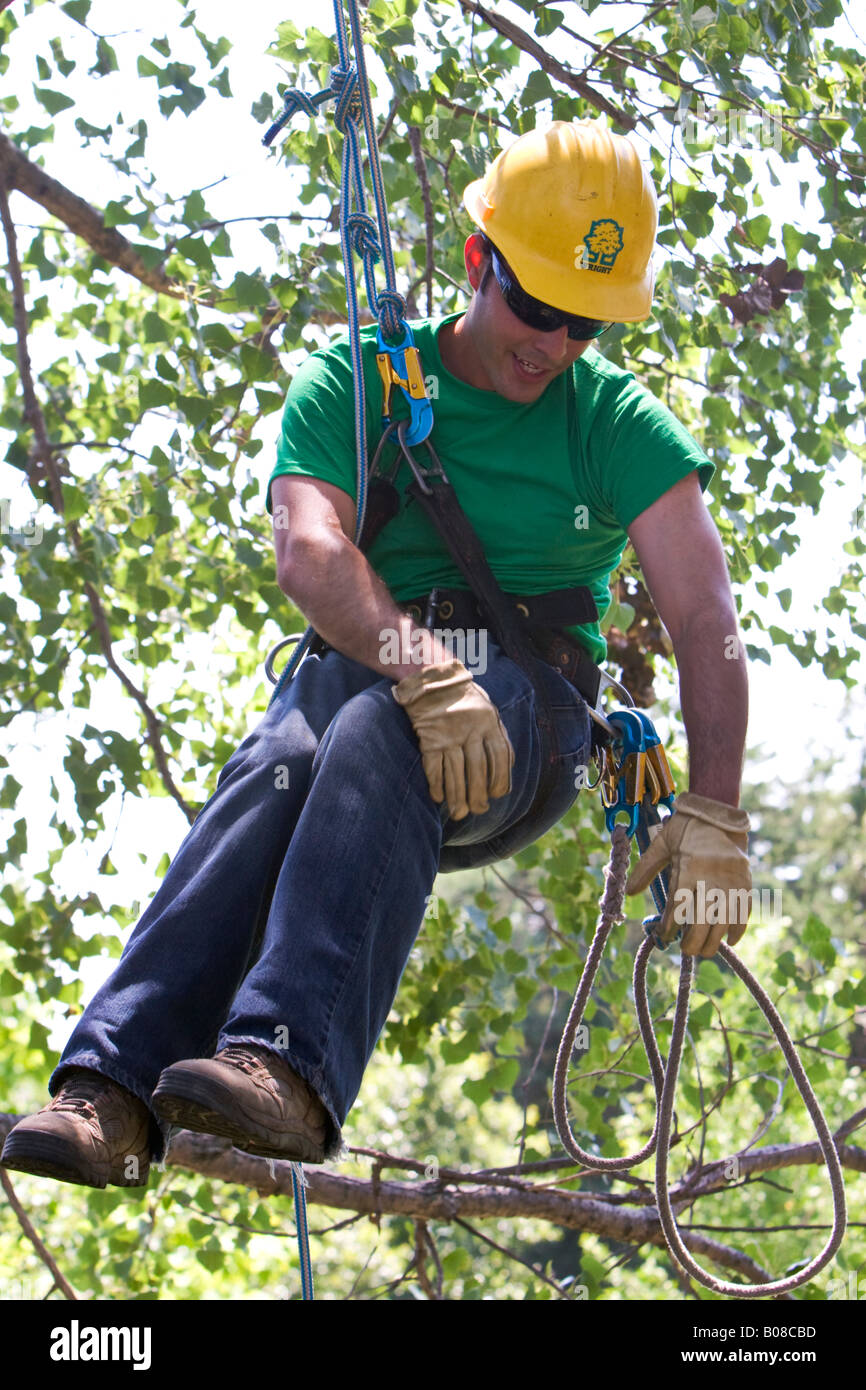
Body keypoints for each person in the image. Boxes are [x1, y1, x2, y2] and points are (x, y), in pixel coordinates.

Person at [1, 119, 750, 1192]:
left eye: (583, 322)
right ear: (476, 260)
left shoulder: (614, 424)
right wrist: (420, 663)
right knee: (276, 764)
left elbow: (703, 615)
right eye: (534, 305)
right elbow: (309, 548)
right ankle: (111, 1097)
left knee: (369, 731)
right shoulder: (362, 381)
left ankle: (290, 1071)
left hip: (525, 704)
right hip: (374, 664)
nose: (552, 342)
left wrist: (716, 809)